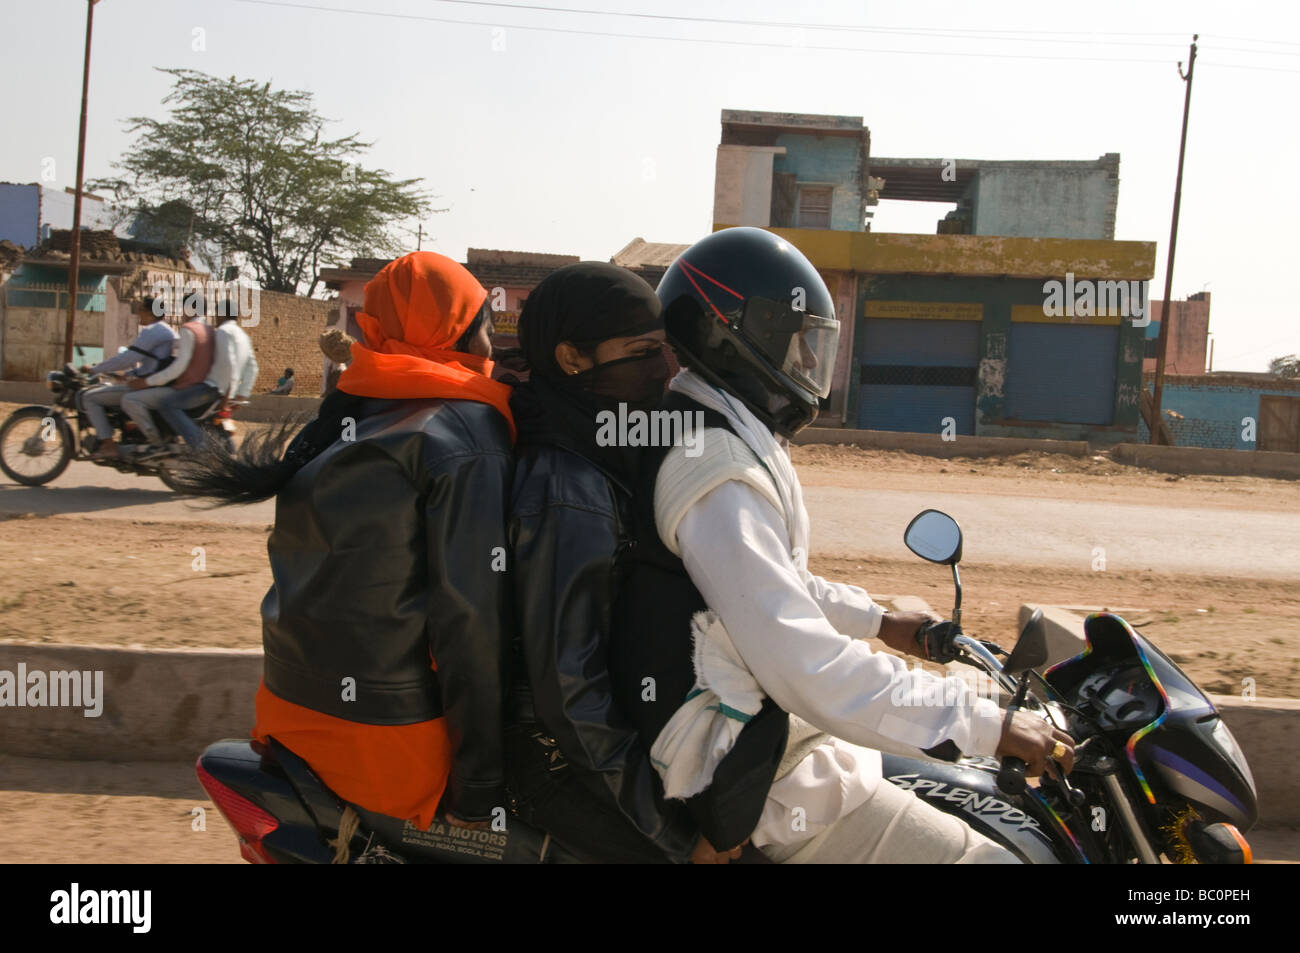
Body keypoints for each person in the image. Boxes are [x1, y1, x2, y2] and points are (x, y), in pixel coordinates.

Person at [609, 227, 1075, 863]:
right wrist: (985, 724)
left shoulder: (710, 429)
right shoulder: (713, 464)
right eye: (795, 344)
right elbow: (804, 662)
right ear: (737, 334)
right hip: (743, 762)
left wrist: (879, 619)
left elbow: (770, 586)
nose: (806, 367)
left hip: (755, 725)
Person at [169, 251, 515, 831]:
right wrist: (481, 788)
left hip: (289, 715)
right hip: (390, 744)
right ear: (453, 330)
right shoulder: (464, 429)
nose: (491, 346)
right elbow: (470, 624)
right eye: (483, 324)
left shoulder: (349, 413)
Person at [505, 262, 736, 864]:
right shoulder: (568, 487)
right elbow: (568, 691)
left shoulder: (604, 444)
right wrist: (671, 837)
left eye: (666, 351)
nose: (665, 370)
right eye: (643, 351)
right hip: (558, 764)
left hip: (609, 739)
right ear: (572, 358)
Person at [79, 297, 177, 459]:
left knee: (89, 397)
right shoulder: (164, 329)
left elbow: (127, 358)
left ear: (151, 313)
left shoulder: (153, 330)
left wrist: (95, 369)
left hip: (148, 385)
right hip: (151, 380)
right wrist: (129, 374)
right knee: (106, 390)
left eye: (142, 309)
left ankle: (108, 445)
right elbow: (149, 363)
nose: (138, 313)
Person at [120, 300, 219, 451]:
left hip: (184, 387)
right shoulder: (210, 331)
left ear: (190, 309)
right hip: (204, 388)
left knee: (130, 399)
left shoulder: (188, 329)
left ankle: (155, 443)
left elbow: (179, 367)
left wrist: (147, 382)